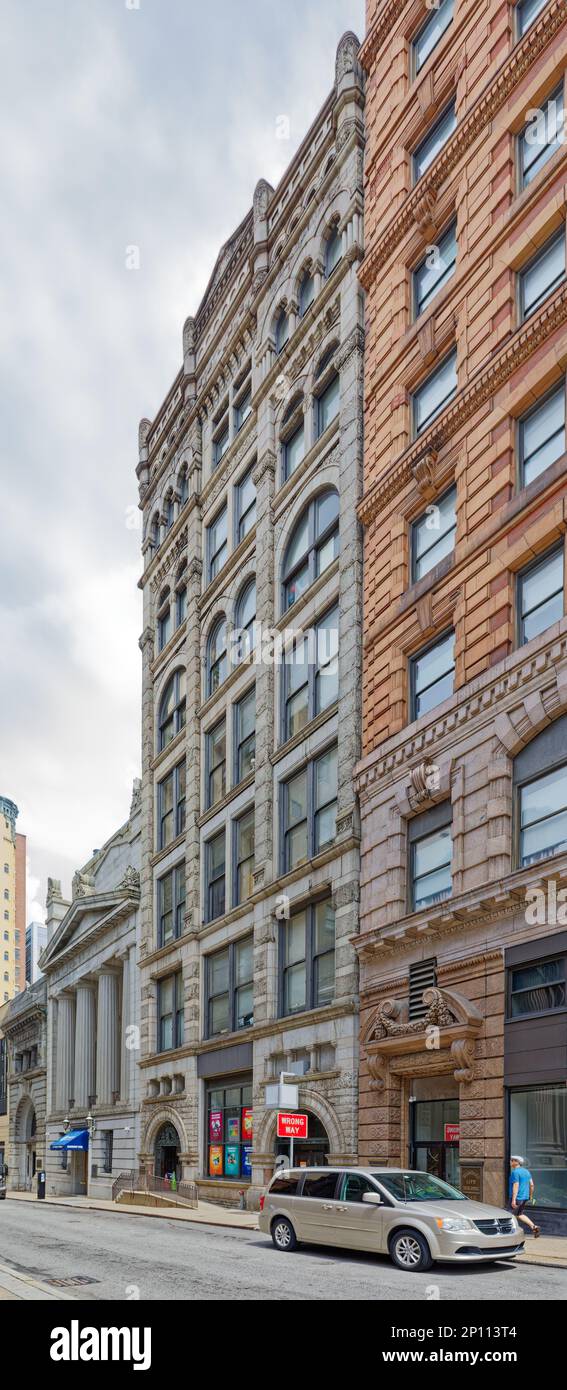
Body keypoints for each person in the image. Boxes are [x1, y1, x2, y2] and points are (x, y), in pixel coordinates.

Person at [509, 1155, 540, 1237]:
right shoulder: (527, 1171)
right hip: (525, 1197)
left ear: (516, 1162)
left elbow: (516, 1185)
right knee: (519, 1214)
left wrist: (513, 1200)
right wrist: (530, 1196)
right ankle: (534, 1226)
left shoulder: (515, 1172)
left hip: (517, 1197)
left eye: (512, 1160)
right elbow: (532, 1185)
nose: (510, 1162)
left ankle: (512, 1233)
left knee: (510, 1215)